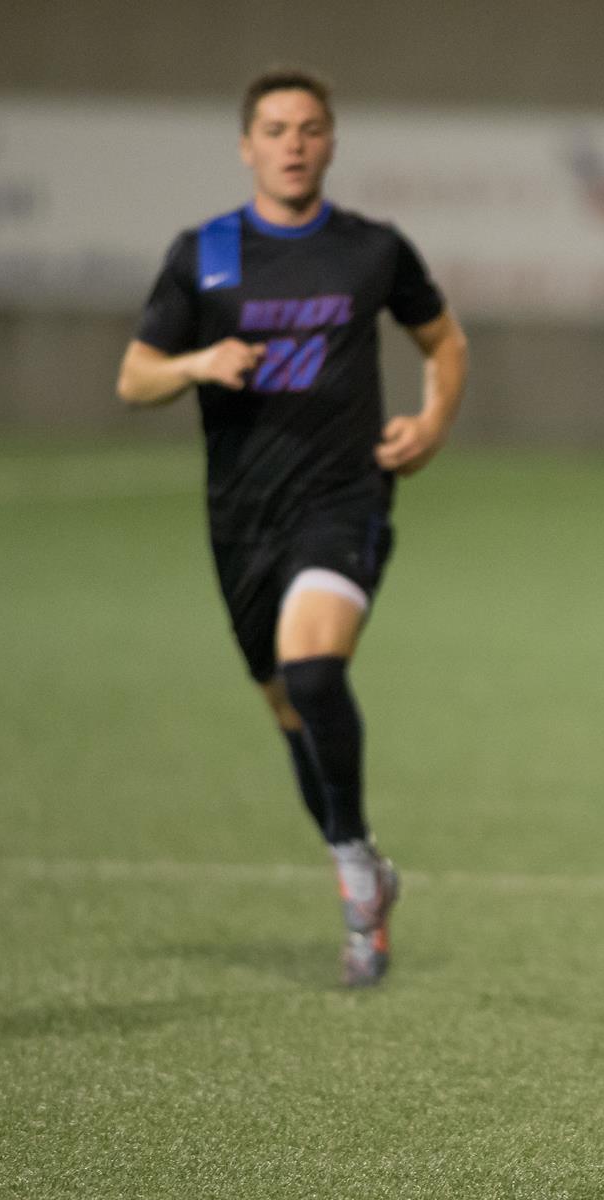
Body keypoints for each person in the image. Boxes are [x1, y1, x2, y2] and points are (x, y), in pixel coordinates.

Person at [115, 68, 468, 985]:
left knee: (315, 668)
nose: (294, 143)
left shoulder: (372, 248)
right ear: (247, 145)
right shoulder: (207, 253)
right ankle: (366, 863)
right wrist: (199, 360)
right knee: (287, 707)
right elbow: (135, 377)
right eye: (275, 129)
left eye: (310, 128)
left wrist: (429, 427)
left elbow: (445, 342)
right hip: (241, 520)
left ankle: (353, 876)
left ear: (331, 141)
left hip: (345, 500)